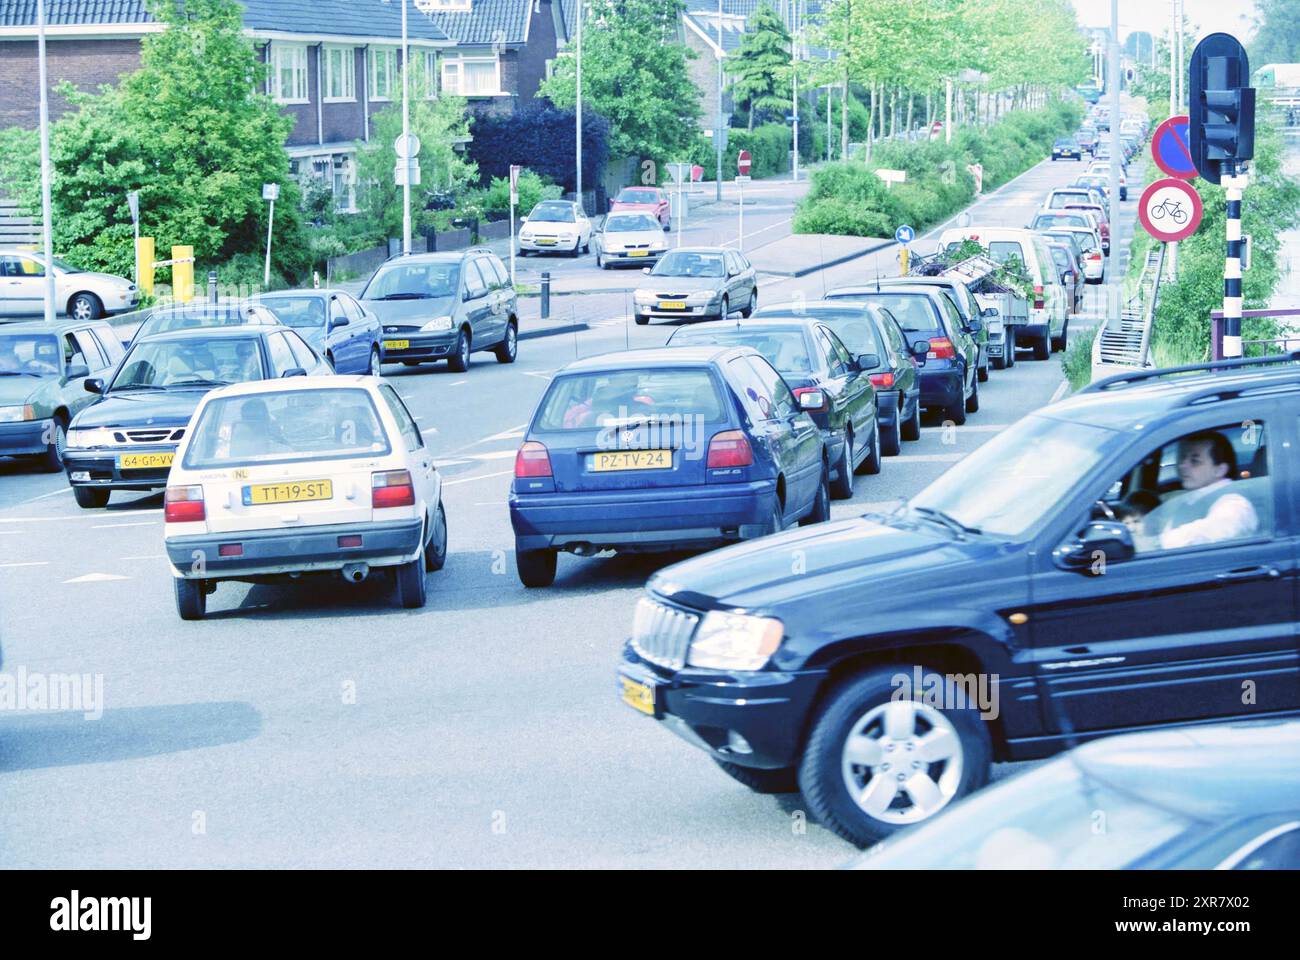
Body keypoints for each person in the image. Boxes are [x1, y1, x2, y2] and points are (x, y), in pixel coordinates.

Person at [1154, 432, 1258, 550]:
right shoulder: (1190, 500)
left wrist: (1157, 543)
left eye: (1195, 461)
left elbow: (1210, 532)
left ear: (1219, 470)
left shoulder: (1235, 505)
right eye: (1182, 458)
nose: (1183, 465)